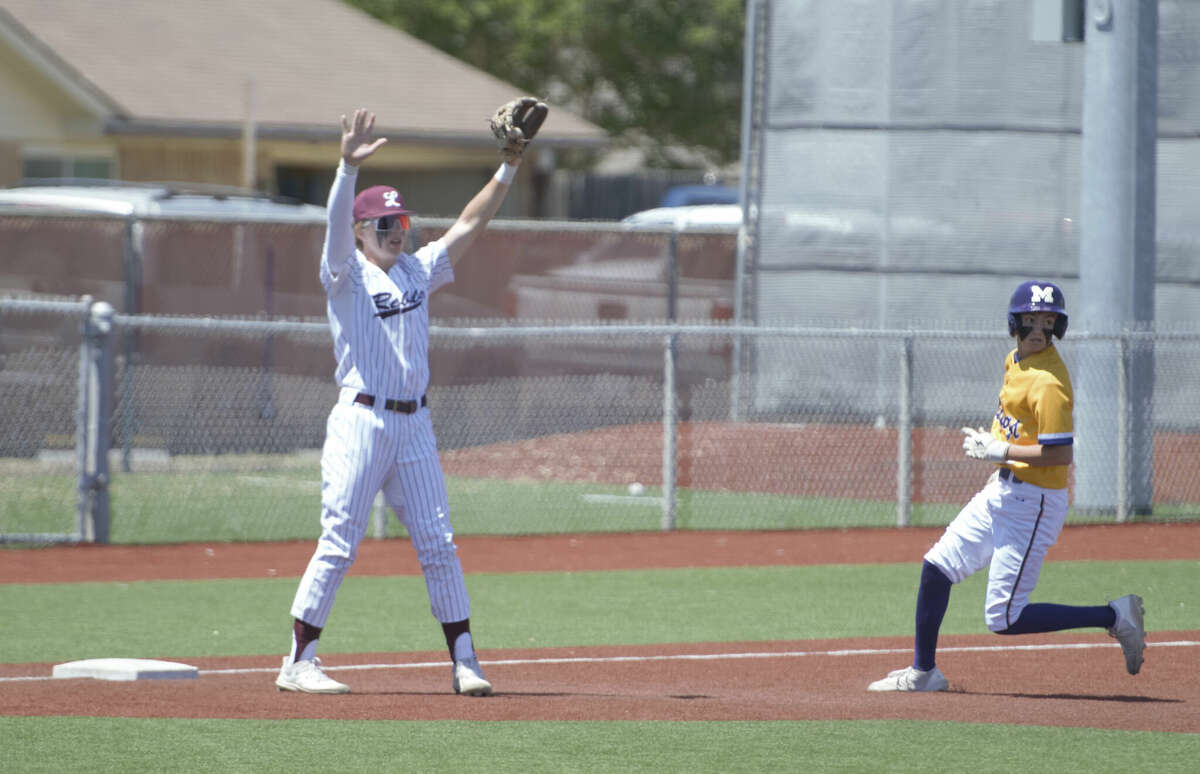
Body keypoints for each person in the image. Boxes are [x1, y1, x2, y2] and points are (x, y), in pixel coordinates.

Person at [275, 103, 541, 696]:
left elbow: (470, 226)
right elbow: (334, 226)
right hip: (362, 419)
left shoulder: (418, 270)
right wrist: (346, 170)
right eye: (386, 225)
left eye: (402, 223)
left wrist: (509, 167)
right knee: (340, 541)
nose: (398, 231)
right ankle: (298, 661)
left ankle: (464, 659)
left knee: (439, 542)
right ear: (362, 232)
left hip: (414, 424)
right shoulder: (344, 274)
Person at [867, 280, 1146, 692]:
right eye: (1030, 320)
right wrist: (997, 447)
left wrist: (1001, 448)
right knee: (936, 567)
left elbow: (1059, 455)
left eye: (1048, 322)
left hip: (1033, 503)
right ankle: (924, 673)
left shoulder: (1049, 384)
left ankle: (1115, 617)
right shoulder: (1014, 360)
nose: (1038, 330)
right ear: (1014, 322)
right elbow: (1016, 431)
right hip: (1002, 491)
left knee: (1004, 619)